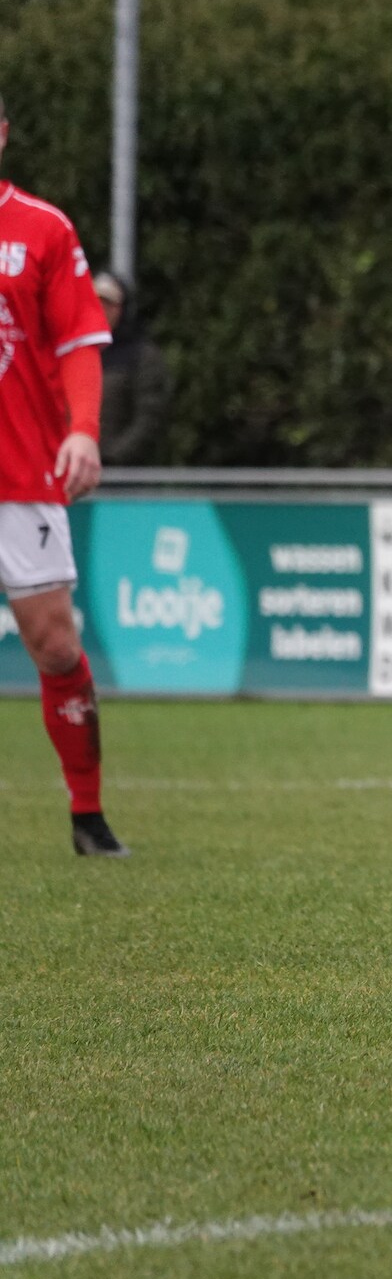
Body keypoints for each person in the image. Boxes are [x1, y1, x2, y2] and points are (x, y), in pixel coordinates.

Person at [0, 91, 129, 857]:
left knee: (53, 646)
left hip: (21, 475)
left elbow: (79, 342)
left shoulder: (43, 229)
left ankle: (87, 812)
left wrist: (83, 432)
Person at [92, 271, 170, 466]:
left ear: (122, 308)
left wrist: (111, 457)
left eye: (108, 303)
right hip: (71, 472)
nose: (100, 309)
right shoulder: (72, 353)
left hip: (122, 477)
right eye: (94, 302)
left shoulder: (142, 356)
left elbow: (150, 418)